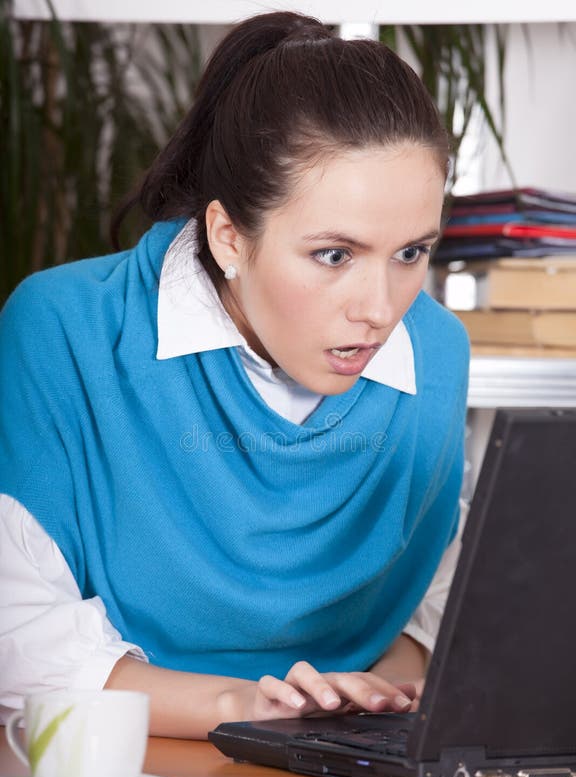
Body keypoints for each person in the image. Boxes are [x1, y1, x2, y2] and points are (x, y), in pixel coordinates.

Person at [0, 11, 469, 739]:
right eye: (334, 255)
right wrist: (245, 708)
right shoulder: (65, 330)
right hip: (123, 773)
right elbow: (17, 639)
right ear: (228, 236)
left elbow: (448, 602)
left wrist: (370, 695)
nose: (380, 311)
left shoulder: (435, 353)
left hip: (347, 776)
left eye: (411, 253)